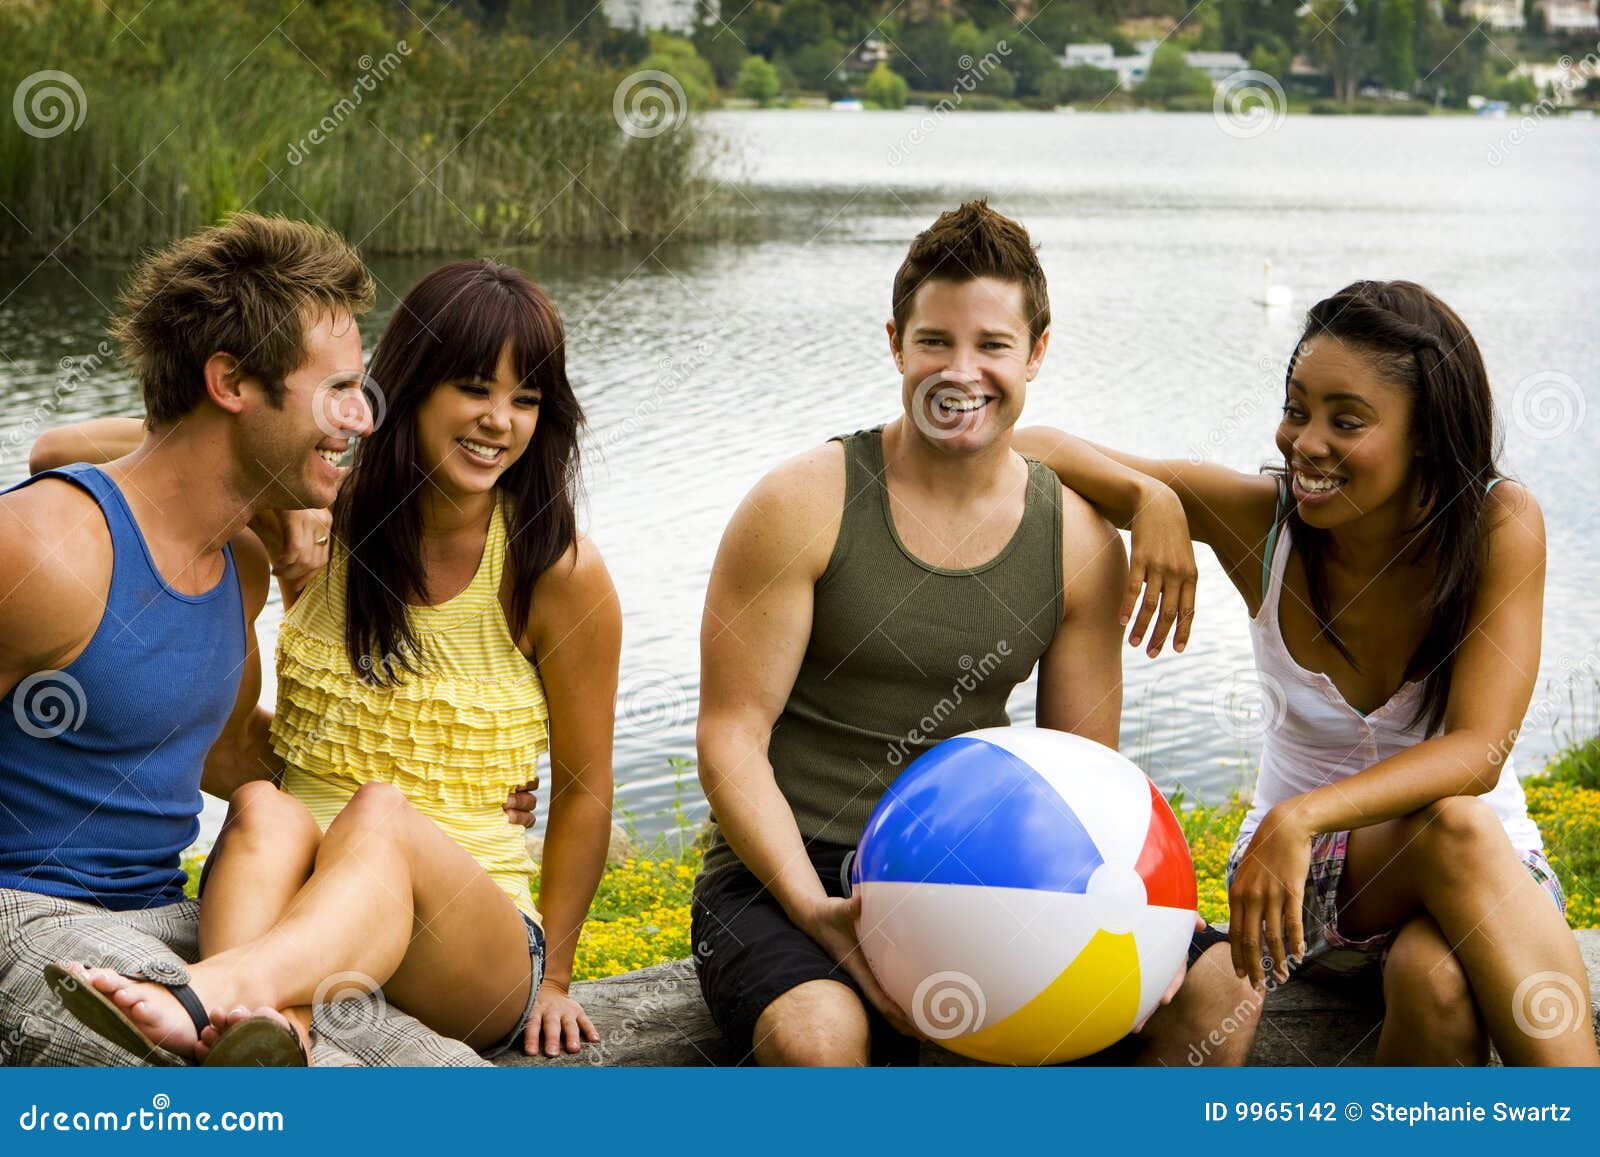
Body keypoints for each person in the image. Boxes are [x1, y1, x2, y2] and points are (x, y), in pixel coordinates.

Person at [692, 200, 1258, 1067]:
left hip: (974, 866)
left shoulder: (1075, 542)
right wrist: (816, 910)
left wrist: (1144, 920)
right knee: (820, 1038)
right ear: (895, 342)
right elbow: (731, 735)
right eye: (935, 342)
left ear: (1035, 352)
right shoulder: (800, 505)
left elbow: (1084, 780)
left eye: (992, 345)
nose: (962, 373)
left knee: (1225, 987)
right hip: (788, 869)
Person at [27, 258, 620, 1065]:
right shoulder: (319, 502)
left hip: (464, 940)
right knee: (266, 808)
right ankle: (273, 1031)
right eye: (475, 388)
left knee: (380, 814)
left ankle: (205, 992)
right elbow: (57, 447)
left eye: (526, 399)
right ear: (406, 388)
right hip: (300, 904)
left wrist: (558, 973)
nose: (499, 421)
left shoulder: (553, 567)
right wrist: (281, 485)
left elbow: (586, 792)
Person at [1015, 279, 1599, 1065]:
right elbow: (1028, 443)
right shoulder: (1264, 521)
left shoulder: (1498, 524)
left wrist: (1308, 812)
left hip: (1485, 870)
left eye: (1345, 420)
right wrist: (1151, 495)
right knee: (1454, 824)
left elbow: (1481, 751)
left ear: (1425, 435)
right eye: (1298, 409)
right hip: (1297, 890)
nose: (1306, 442)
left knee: (1436, 979)